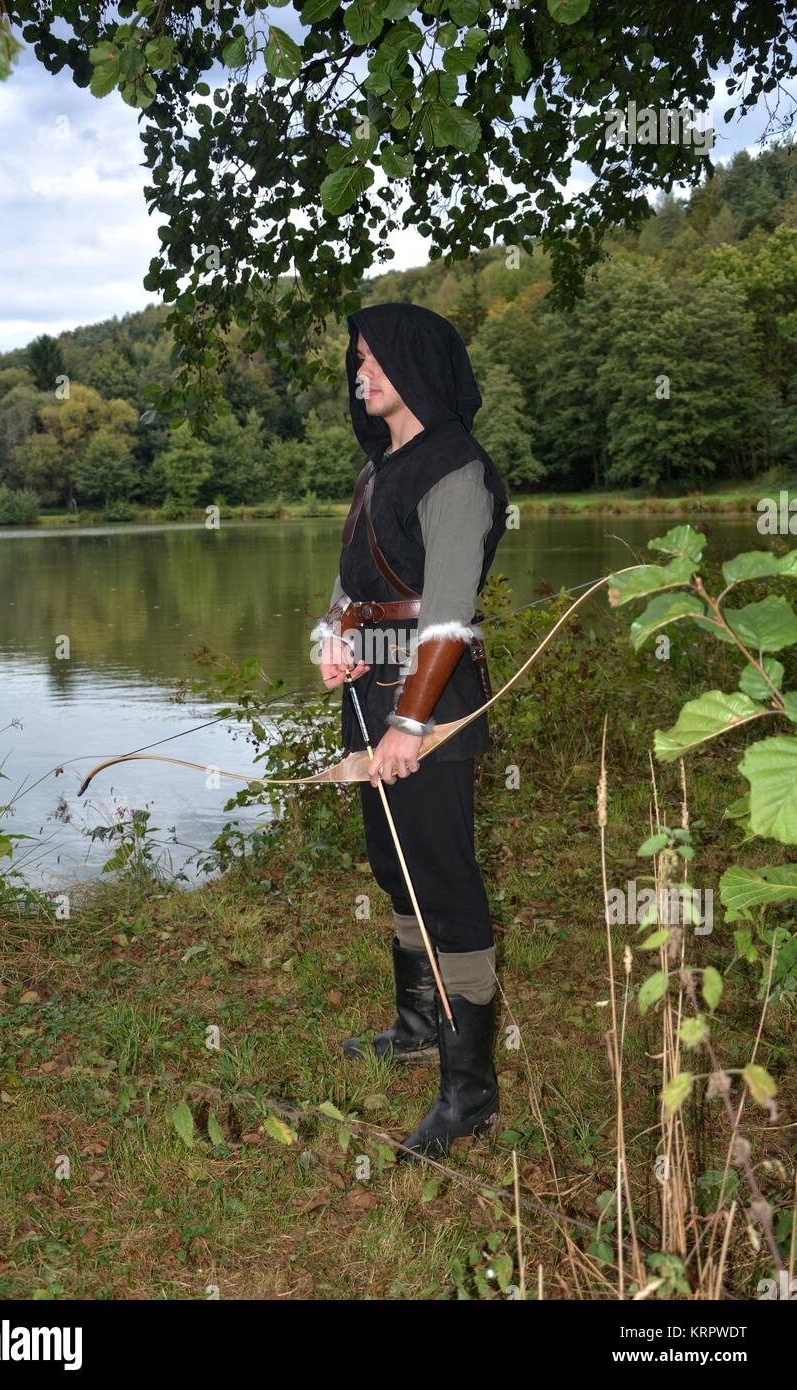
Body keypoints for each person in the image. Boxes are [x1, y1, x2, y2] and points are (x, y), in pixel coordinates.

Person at [309, 303, 508, 1159]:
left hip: (429, 710)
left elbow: (448, 617)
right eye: (357, 358)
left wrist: (407, 727)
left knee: (444, 884)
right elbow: (354, 585)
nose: (361, 371)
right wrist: (333, 639)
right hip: (368, 699)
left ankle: (470, 1096)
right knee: (393, 865)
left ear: (416, 364)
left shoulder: (456, 468)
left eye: (375, 357)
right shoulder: (374, 468)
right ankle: (417, 1024)